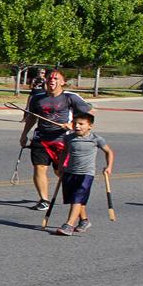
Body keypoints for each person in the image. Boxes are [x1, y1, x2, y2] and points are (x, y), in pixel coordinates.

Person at [19, 69, 90, 211]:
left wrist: (72, 125)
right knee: (39, 168)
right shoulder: (37, 98)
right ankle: (44, 200)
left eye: (56, 78)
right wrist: (24, 134)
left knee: (60, 172)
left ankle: (74, 198)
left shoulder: (71, 98)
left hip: (62, 140)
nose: (52, 80)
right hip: (41, 138)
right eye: (50, 78)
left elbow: (87, 115)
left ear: (63, 82)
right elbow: (32, 117)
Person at [51, 112, 114, 237]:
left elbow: (109, 152)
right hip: (70, 172)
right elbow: (64, 152)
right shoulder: (69, 138)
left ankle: (69, 225)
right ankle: (84, 221)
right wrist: (60, 166)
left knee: (77, 198)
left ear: (90, 126)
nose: (77, 126)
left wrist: (109, 166)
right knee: (74, 200)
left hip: (86, 173)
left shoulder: (96, 139)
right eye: (75, 123)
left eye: (81, 124)